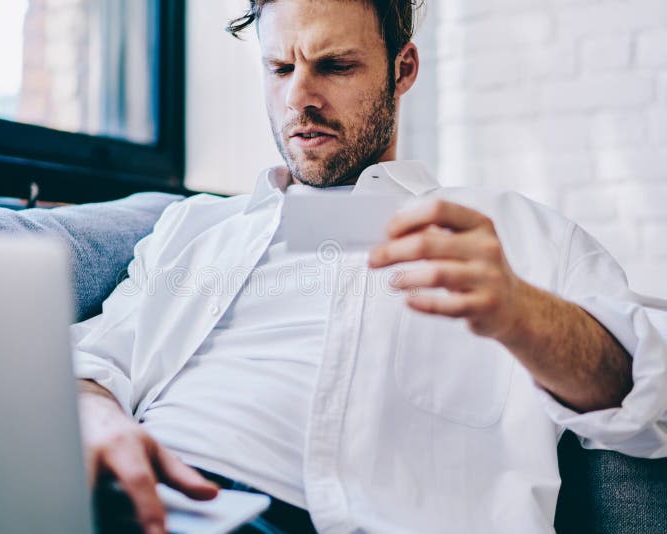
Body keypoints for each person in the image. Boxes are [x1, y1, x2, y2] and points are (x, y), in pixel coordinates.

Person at [72, 1, 667, 532]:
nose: (297, 98)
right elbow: (94, 361)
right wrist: (97, 419)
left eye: (334, 66)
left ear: (403, 70)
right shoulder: (195, 229)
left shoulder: (521, 233)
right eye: (280, 68)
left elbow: (647, 409)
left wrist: (520, 310)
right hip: (142, 500)